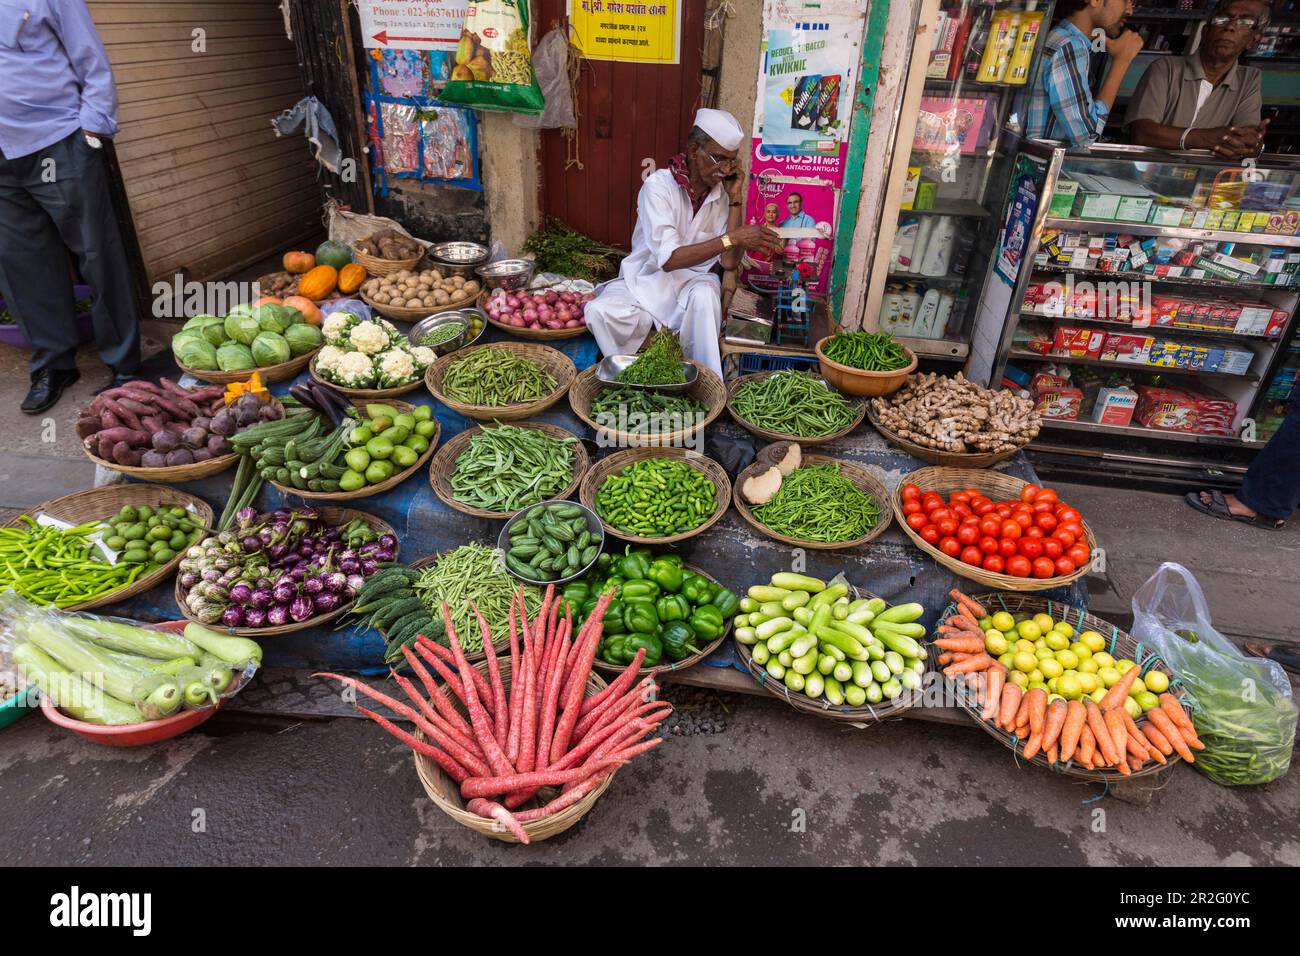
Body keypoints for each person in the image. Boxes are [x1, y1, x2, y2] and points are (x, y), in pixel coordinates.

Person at [0, 0, 141, 414]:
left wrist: (92, 127)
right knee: (20, 263)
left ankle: (125, 367)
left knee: (97, 254)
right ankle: (54, 365)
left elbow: (88, 55)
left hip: (57, 139)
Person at [584, 108, 783, 378]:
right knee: (599, 312)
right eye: (719, 159)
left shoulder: (722, 193)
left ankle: (706, 381)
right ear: (693, 150)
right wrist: (733, 238)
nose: (725, 169)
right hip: (647, 281)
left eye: (732, 162)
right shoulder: (658, 187)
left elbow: (729, 261)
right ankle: (630, 376)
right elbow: (669, 260)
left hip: (693, 283)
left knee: (705, 299)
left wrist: (736, 198)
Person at [1125, 0, 1268, 159]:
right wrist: (1206, 138)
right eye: (1222, 20)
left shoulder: (1249, 80)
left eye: (1245, 22)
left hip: (1206, 178)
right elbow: (1142, 134)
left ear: (1254, 40)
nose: (1230, 27)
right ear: (1205, 32)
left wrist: (1252, 145)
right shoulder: (1167, 68)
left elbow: (1246, 137)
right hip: (1148, 174)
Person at [1025, 0, 1144, 147]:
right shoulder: (1069, 46)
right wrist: (1121, 61)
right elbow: (1086, 137)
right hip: (1036, 166)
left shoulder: (1065, 39)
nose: (1129, 10)